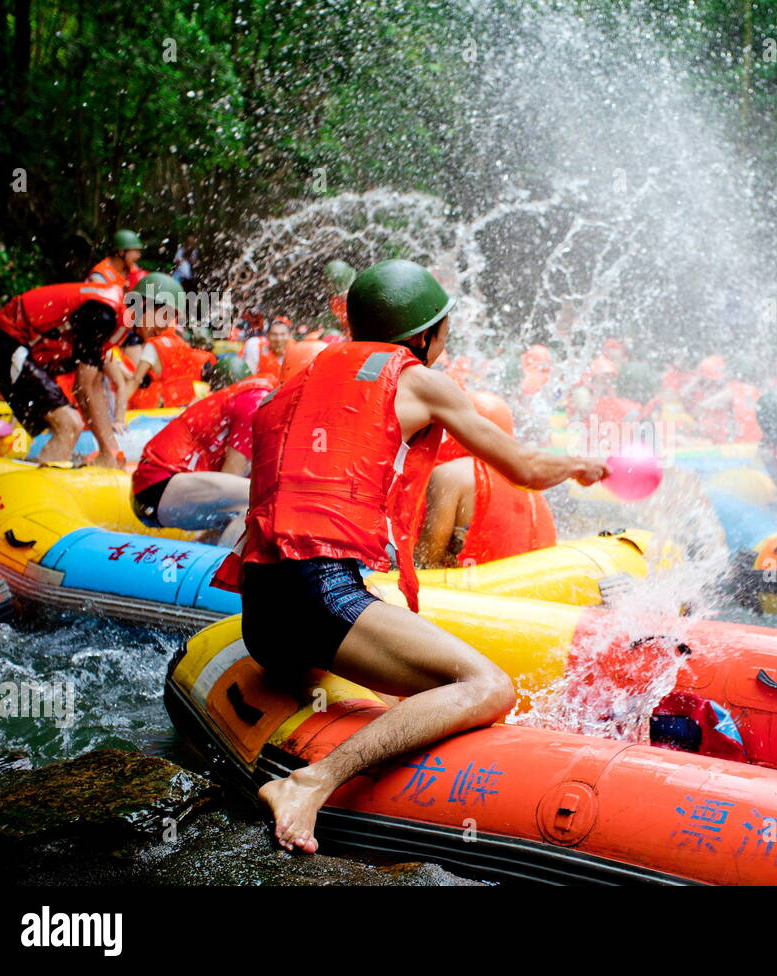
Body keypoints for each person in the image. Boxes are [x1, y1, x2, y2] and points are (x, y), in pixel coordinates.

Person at [211, 259, 608, 853]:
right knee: (488, 686)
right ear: (425, 334)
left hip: (262, 617)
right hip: (318, 596)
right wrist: (579, 463)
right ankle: (311, 782)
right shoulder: (418, 379)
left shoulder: (290, 382)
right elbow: (524, 468)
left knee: (382, 642)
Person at [0, 275, 174, 466]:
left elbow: (94, 386)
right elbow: (83, 387)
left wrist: (111, 452)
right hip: (3, 345)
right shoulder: (103, 315)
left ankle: (42, 468)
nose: (164, 327)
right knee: (69, 425)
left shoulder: (119, 324)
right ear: (144, 306)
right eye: (164, 316)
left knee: (64, 425)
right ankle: (39, 492)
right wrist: (107, 449)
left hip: (14, 350)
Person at [130, 355, 273, 546]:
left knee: (248, 501)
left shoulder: (260, 400)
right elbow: (231, 476)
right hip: (157, 486)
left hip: (159, 490)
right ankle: (223, 567)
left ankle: (205, 556)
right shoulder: (255, 401)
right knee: (261, 500)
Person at [417, 390, 557, 568]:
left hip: (473, 589)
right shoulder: (526, 479)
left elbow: (426, 559)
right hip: (525, 584)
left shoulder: (450, 474)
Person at [124, 287, 216, 410]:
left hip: (157, 409)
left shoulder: (152, 345)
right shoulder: (179, 342)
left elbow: (136, 380)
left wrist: (118, 414)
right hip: (180, 406)